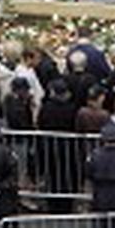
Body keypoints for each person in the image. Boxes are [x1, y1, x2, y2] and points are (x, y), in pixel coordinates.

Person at [36, 79, 80, 213]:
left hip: (50, 147)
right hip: (69, 147)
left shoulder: (46, 107)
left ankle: (53, 203)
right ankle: (68, 203)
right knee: (68, 174)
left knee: (53, 174)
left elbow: (40, 123)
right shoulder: (72, 108)